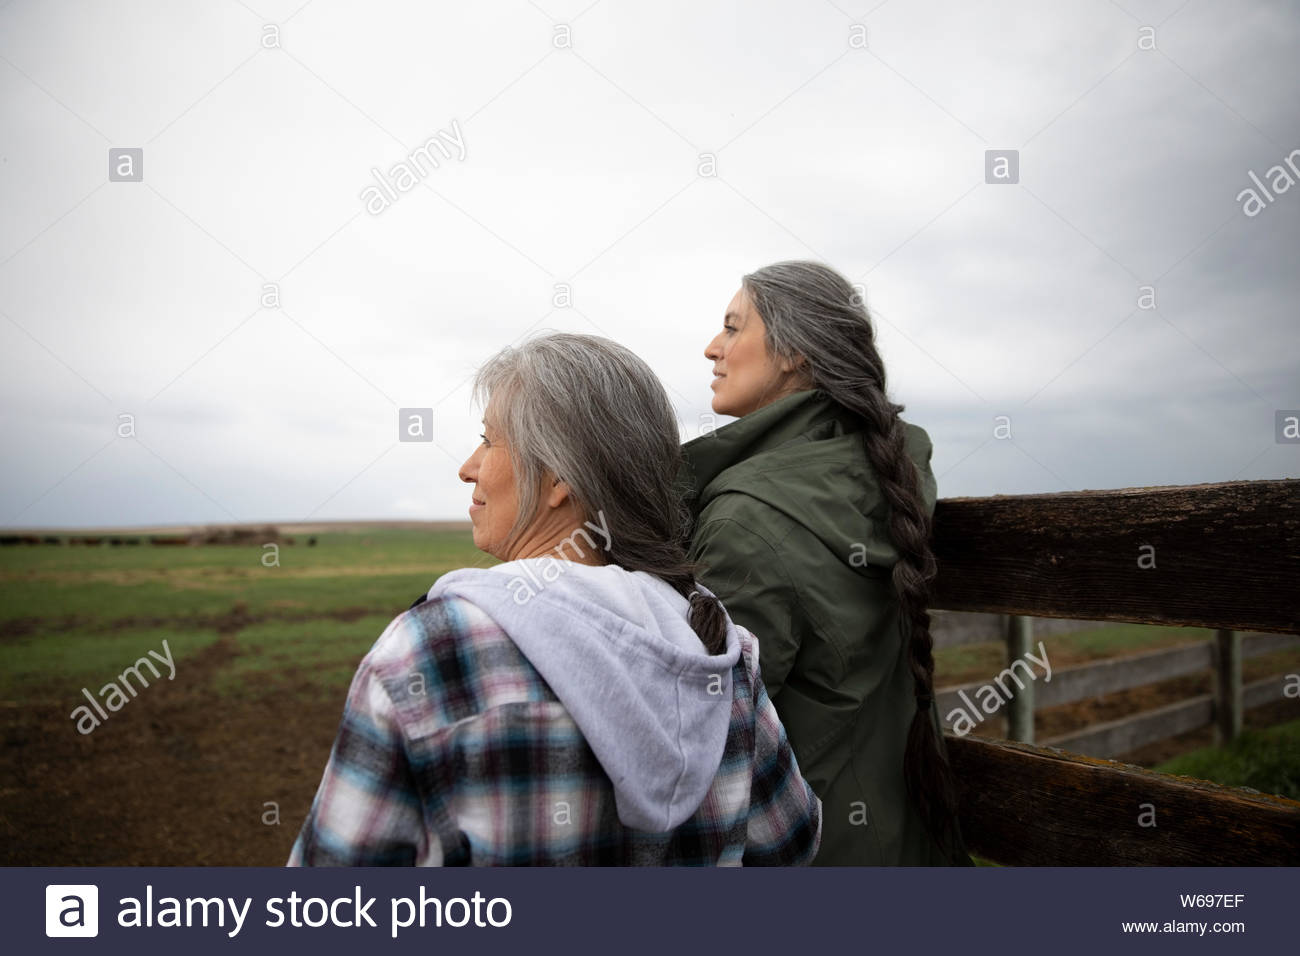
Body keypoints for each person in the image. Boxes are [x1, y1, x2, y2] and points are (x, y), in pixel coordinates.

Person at [288, 332, 821, 866]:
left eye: (489, 440)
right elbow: (790, 844)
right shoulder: (717, 644)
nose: (467, 466)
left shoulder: (434, 648)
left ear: (559, 477)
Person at [679, 260, 972, 865]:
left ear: (795, 355)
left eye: (733, 328)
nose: (712, 348)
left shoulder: (748, 519)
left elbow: (708, 741)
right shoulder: (883, 474)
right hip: (905, 842)